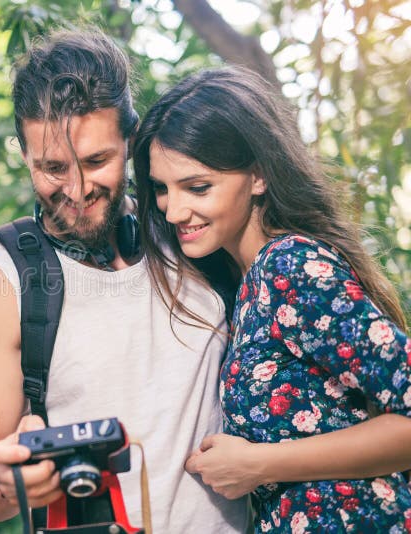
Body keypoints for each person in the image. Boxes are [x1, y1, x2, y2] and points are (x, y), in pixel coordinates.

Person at [0, 29, 249, 532]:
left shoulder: (192, 231)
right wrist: (9, 477)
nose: (78, 188)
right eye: (52, 168)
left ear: (131, 141)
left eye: (96, 161)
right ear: (23, 154)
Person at [133, 65, 411, 532]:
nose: (174, 210)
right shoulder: (245, 283)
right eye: (162, 188)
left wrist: (260, 464)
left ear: (259, 176)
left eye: (197, 187)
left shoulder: (290, 267)